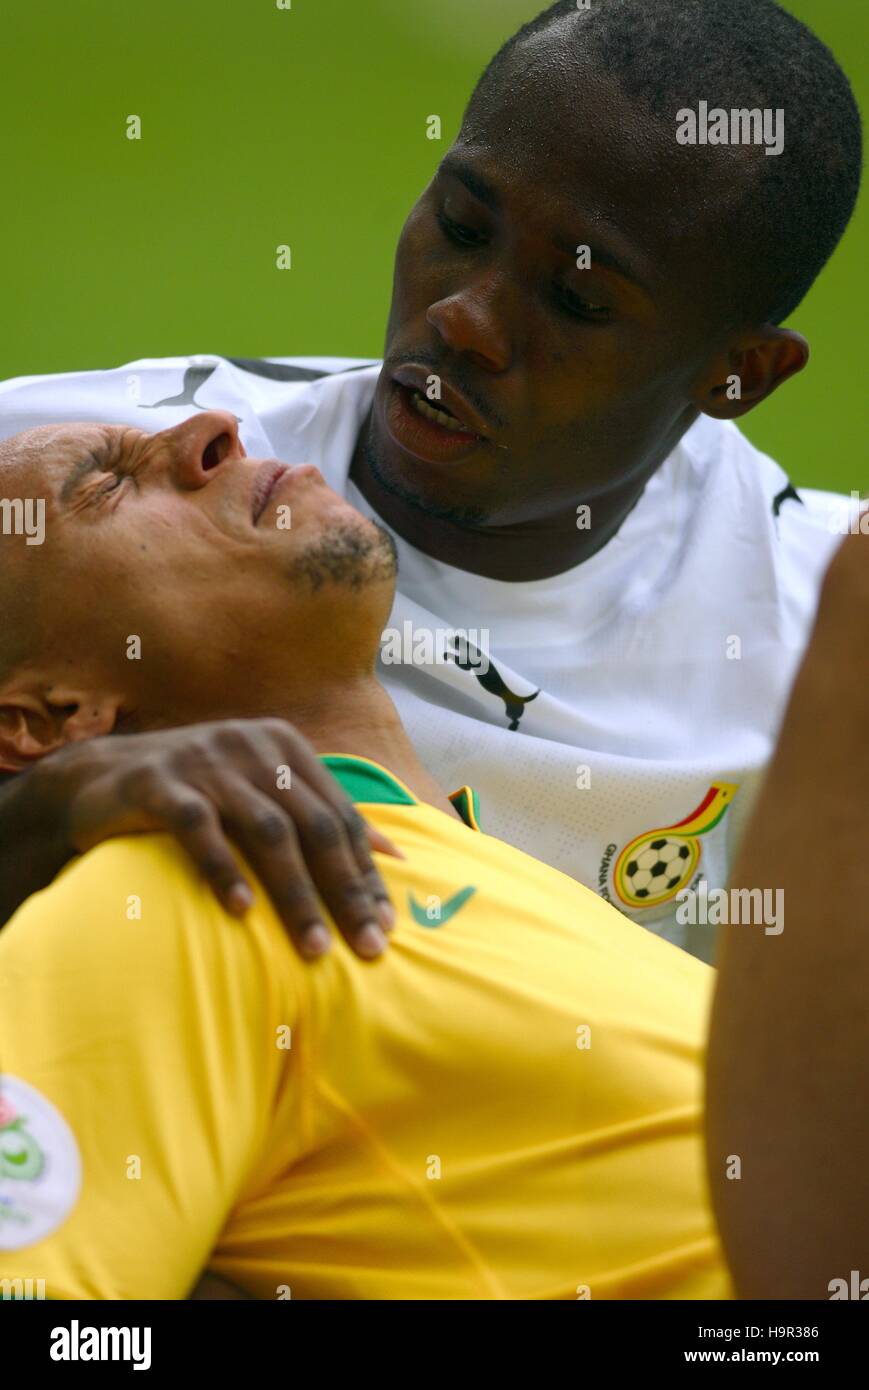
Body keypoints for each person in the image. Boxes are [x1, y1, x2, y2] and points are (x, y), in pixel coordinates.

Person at [0, 0, 862, 960]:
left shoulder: (824, 635)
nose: (464, 320)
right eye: (460, 224)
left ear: (736, 374)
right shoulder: (87, 472)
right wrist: (41, 819)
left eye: (576, 299)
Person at [1, 417, 865, 1301]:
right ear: (49, 715)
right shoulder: (177, 893)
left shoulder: (545, 898)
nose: (210, 431)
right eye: (105, 487)